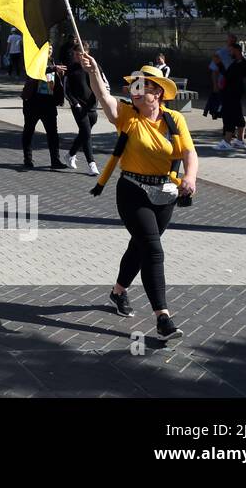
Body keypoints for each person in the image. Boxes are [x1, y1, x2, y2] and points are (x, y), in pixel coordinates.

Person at [79, 55, 198, 344]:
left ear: (157, 92)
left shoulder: (174, 119)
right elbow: (103, 96)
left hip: (165, 194)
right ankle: (163, 318)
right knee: (153, 250)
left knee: (140, 246)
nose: (136, 90)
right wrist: (94, 70)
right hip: (132, 191)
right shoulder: (127, 115)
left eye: (142, 86)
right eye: (135, 86)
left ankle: (118, 292)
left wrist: (191, 178)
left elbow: (188, 153)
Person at [21, 63, 67, 169]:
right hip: (33, 103)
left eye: (50, 50)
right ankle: (28, 159)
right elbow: (36, 71)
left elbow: (55, 82)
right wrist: (53, 68)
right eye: (47, 49)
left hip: (49, 103)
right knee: (29, 131)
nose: (49, 51)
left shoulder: (52, 63)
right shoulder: (33, 60)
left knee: (53, 133)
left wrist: (60, 74)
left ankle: (55, 160)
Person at [64, 45, 100, 175]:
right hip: (79, 107)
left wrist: (102, 96)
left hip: (92, 106)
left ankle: (70, 155)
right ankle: (92, 164)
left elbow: (102, 83)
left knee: (84, 134)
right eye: (75, 54)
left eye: (79, 54)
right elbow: (66, 89)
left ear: (86, 53)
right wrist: (75, 103)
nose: (76, 56)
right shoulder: (71, 69)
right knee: (86, 133)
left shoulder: (94, 67)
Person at [215, 43, 246, 151]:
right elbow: (245, 74)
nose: (230, 53)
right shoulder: (236, 62)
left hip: (234, 94)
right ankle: (240, 141)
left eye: (231, 50)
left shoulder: (243, 63)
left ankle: (227, 142)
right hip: (229, 93)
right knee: (238, 116)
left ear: (237, 50)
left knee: (230, 115)